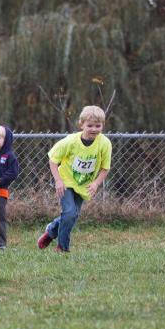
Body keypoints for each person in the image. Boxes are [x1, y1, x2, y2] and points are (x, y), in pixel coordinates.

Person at [37, 106, 112, 253]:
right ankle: (62, 248)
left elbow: (105, 168)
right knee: (70, 212)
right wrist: (58, 181)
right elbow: (53, 160)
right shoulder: (70, 141)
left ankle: (51, 231)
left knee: (72, 216)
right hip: (66, 181)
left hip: (84, 184)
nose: (94, 129)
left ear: (103, 125)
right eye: (90, 125)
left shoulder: (104, 143)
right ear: (81, 124)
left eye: (98, 126)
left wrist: (96, 183)